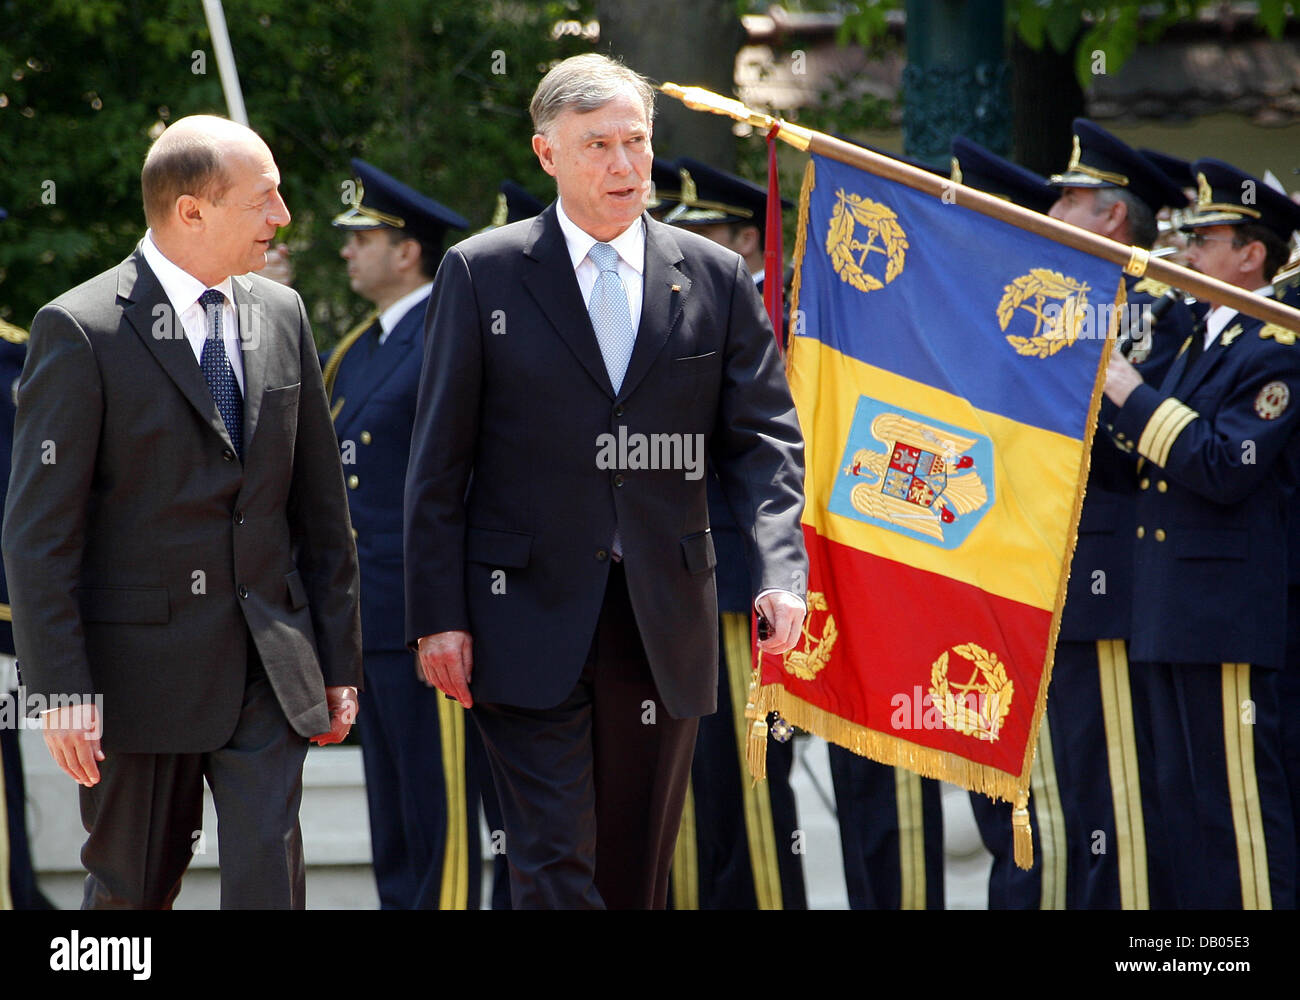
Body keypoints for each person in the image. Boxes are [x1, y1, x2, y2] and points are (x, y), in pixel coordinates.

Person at [403, 53, 808, 910]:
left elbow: (765, 442)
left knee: (634, 871)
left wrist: (781, 573)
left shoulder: (714, 276)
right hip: (522, 616)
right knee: (552, 862)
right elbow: (440, 461)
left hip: (663, 620)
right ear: (547, 154)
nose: (624, 166)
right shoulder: (483, 273)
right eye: (598, 146)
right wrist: (437, 615)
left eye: (636, 142)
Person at [1, 115, 363, 910]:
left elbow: (320, 509)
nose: (284, 217)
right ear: (191, 210)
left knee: (270, 875)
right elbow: (38, 536)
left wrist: (337, 662)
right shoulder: (81, 328)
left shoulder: (282, 313)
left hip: (269, 664)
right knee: (133, 888)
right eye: (264, 198)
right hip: (139, 678)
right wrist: (61, 689)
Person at [963, 124, 1195, 909]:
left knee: (1115, 797)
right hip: (1024, 566)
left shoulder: (1155, 314)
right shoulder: (1051, 300)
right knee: (1043, 795)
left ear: (1112, 219)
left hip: (1103, 582)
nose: (1052, 206)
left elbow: (1138, 453)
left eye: (1071, 196)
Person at [1102, 157, 1300, 908]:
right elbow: (1147, 459)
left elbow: (1224, 464)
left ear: (1252, 254)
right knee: (1182, 813)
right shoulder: (1196, 339)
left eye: (1207, 235)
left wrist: (1130, 392)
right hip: (1167, 606)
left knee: (1238, 814)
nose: (1187, 248)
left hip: (1221, 614)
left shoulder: (1276, 345)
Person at [324, 159, 486, 909]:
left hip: (429, 617)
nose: (348, 250)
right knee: (392, 815)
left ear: (408, 250)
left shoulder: (447, 332)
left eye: (363, 237)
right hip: (373, 617)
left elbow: (459, 481)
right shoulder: (356, 351)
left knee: (442, 812)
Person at [660, 157, 806, 910]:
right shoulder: (674, 303)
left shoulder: (778, 315)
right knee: (684, 792)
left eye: (704, 231)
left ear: (747, 240)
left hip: (742, 580)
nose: (680, 243)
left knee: (750, 792)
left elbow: (771, 452)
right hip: (671, 577)